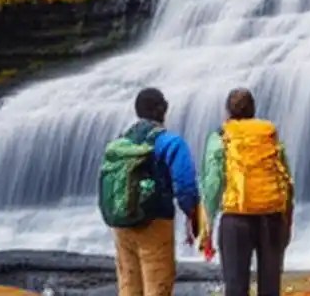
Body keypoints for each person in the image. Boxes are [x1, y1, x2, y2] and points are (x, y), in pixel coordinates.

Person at [99, 87, 201, 296]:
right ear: (161, 109)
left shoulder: (121, 142)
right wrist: (193, 214)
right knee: (158, 284)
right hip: (154, 222)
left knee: (128, 285)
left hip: (122, 221)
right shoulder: (170, 142)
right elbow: (185, 184)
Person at [197, 88, 295, 296]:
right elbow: (286, 177)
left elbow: (213, 182)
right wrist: (287, 216)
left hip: (236, 219)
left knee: (236, 286)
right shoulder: (269, 134)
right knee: (270, 288)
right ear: (253, 110)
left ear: (228, 112)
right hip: (272, 216)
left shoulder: (221, 136)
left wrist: (206, 225)